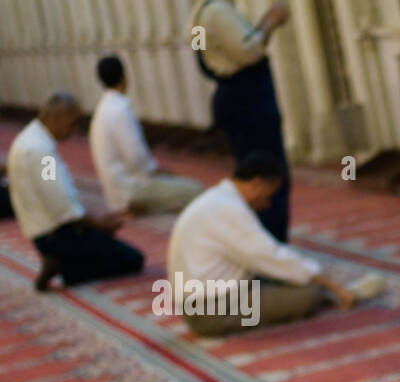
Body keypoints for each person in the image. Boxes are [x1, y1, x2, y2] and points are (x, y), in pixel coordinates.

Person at [166, 152, 381, 336]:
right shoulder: (228, 211)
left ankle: (326, 291)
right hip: (210, 313)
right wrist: (331, 284)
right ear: (256, 184)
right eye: (268, 195)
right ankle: (335, 295)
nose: (267, 204)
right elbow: (271, 257)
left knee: (288, 273)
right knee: (308, 294)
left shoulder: (217, 199)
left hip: (200, 302)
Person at [6, 93, 144, 291]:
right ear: (57, 118)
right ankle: (64, 267)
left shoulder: (29, 139)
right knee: (132, 260)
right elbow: (61, 208)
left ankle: (66, 262)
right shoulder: (41, 154)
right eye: (73, 123)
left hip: (49, 232)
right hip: (57, 236)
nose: (74, 130)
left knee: (108, 247)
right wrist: (99, 224)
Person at [191, 0, 292, 241]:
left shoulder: (199, 11)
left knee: (254, 171)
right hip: (247, 98)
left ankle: (262, 244)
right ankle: (271, 246)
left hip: (234, 96)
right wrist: (271, 21)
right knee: (268, 176)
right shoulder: (217, 10)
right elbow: (250, 51)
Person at [89, 54, 203, 215]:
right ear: (124, 77)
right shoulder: (120, 110)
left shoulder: (101, 110)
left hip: (114, 192)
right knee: (195, 190)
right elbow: (137, 159)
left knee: (175, 186)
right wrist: (163, 174)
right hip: (131, 190)